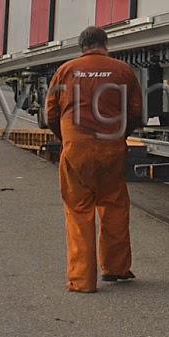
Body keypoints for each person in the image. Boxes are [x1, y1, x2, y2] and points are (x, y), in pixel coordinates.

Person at [45, 25, 143, 293]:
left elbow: (51, 114)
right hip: (111, 147)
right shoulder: (123, 70)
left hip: (76, 148)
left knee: (78, 211)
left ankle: (82, 281)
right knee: (114, 206)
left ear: (82, 46)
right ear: (105, 44)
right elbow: (135, 112)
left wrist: (66, 137)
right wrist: (120, 134)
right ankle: (116, 268)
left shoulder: (65, 71)